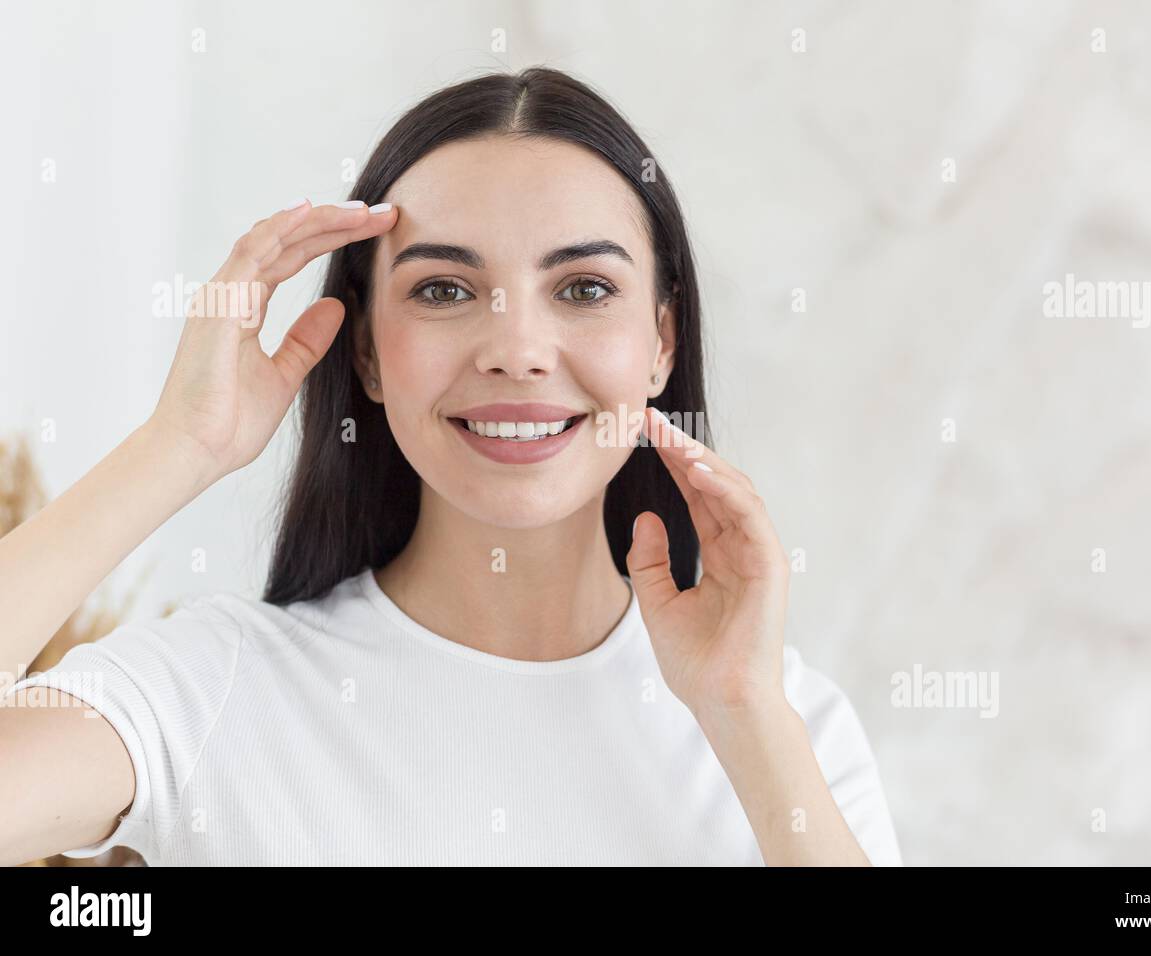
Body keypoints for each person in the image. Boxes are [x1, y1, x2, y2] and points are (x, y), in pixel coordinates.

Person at [0, 67, 902, 866]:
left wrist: (745, 712)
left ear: (661, 342)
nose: (517, 350)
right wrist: (176, 450)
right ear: (364, 355)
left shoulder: (787, 726)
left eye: (584, 288)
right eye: (444, 290)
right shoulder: (209, 690)